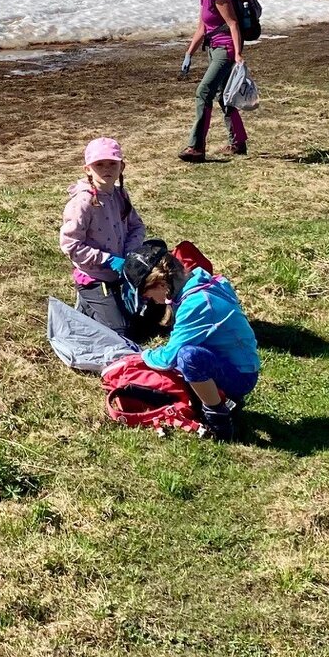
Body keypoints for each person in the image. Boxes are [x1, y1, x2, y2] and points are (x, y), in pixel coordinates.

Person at [130, 246, 259, 440]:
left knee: (188, 357)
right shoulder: (200, 283)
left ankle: (219, 420)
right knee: (186, 357)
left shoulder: (197, 303)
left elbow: (167, 359)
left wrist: (142, 355)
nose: (149, 300)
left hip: (241, 376)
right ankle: (219, 398)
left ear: (160, 283)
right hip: (234, 362)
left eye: (146, 294)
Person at [59, 137, 149, 337]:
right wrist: (107, 260)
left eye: (112, 164)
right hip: (95, 277)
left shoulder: (120, 195)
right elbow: (71, 245)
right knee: (120, 332)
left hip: (122, 272)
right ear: (87, 169)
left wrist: (129, 252)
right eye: (99, 164)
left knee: (146, 318)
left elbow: (137, 226)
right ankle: (86, 304)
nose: (106, 169)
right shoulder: (82, 203)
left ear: (121, 167)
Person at [178, 0, 247, 164]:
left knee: (203, 92)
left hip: (225, 50)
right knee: (224, 95)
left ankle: (196, 147)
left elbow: (233, 23)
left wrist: (237, 54)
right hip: (213, 49)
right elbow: (203, 27)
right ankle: (238, 143)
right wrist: (189, 53)